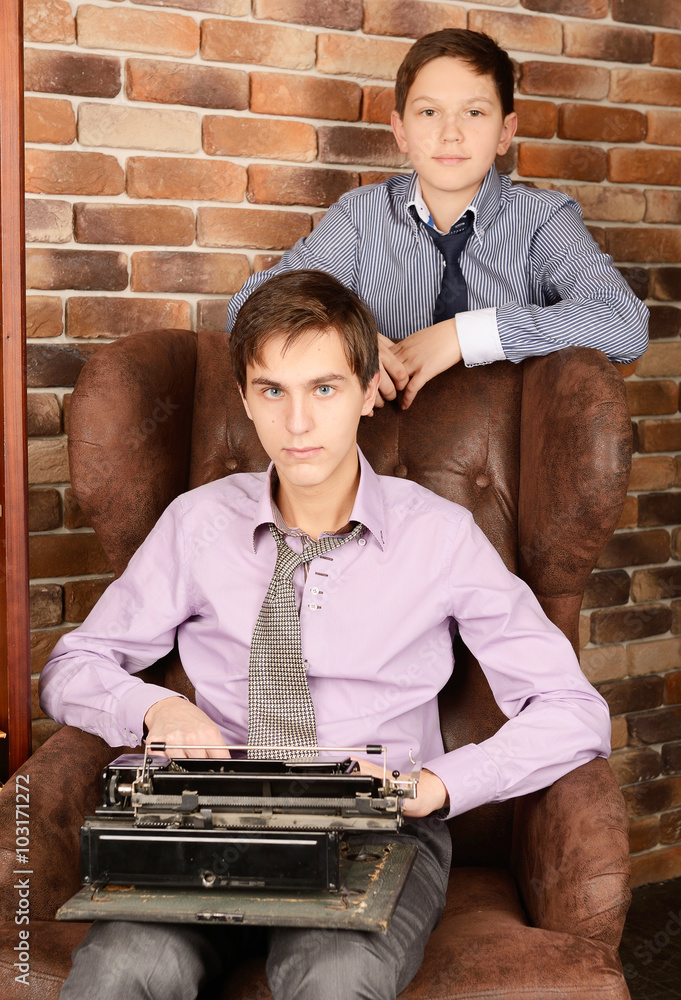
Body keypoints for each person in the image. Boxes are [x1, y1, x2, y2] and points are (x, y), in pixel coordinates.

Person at [40, 270, 611, 1000]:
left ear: (368, 391)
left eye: (324, 388)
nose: (297, 423)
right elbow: (73, 666)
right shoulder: (195, 524)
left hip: (378, 825)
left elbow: (573, 710)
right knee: (118, 970)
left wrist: (439, 783)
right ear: (245, 397)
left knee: (334, 978)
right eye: (272, 391)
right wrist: (155, 708)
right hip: (209, 818)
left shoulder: (440, 537)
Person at [226, 29, 648, 412]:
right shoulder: (359, 216)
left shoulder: (543, 218)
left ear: (505, 132)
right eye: (429, 112)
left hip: (508, 452)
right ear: (400, 130)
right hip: (375, 448)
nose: (450, 133)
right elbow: (247, 306)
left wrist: (464, 335)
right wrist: (344, 337)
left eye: (474, 113)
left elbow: (625, 322)